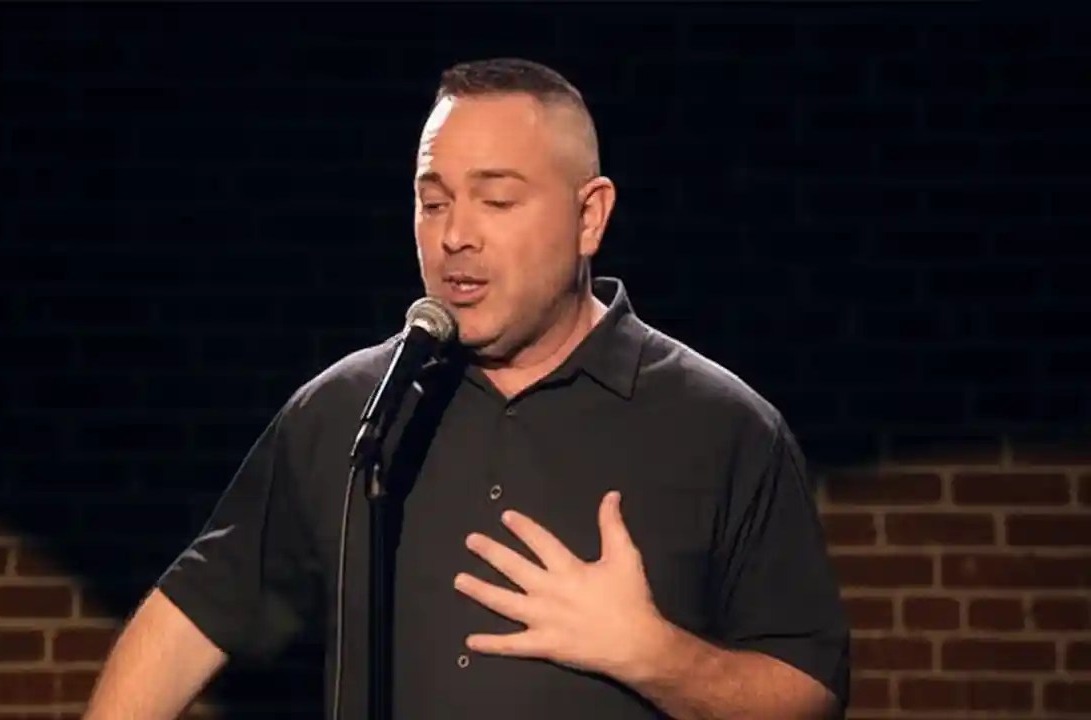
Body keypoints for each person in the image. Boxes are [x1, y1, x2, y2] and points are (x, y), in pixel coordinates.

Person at [82, 57, 850, 720]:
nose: (455, 235)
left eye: (497, 199)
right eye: (434, 200)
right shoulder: (352, 410)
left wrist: (654, 655)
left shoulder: (721, 427)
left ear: (591, 217)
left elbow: (807, 693)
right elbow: (191, 616)